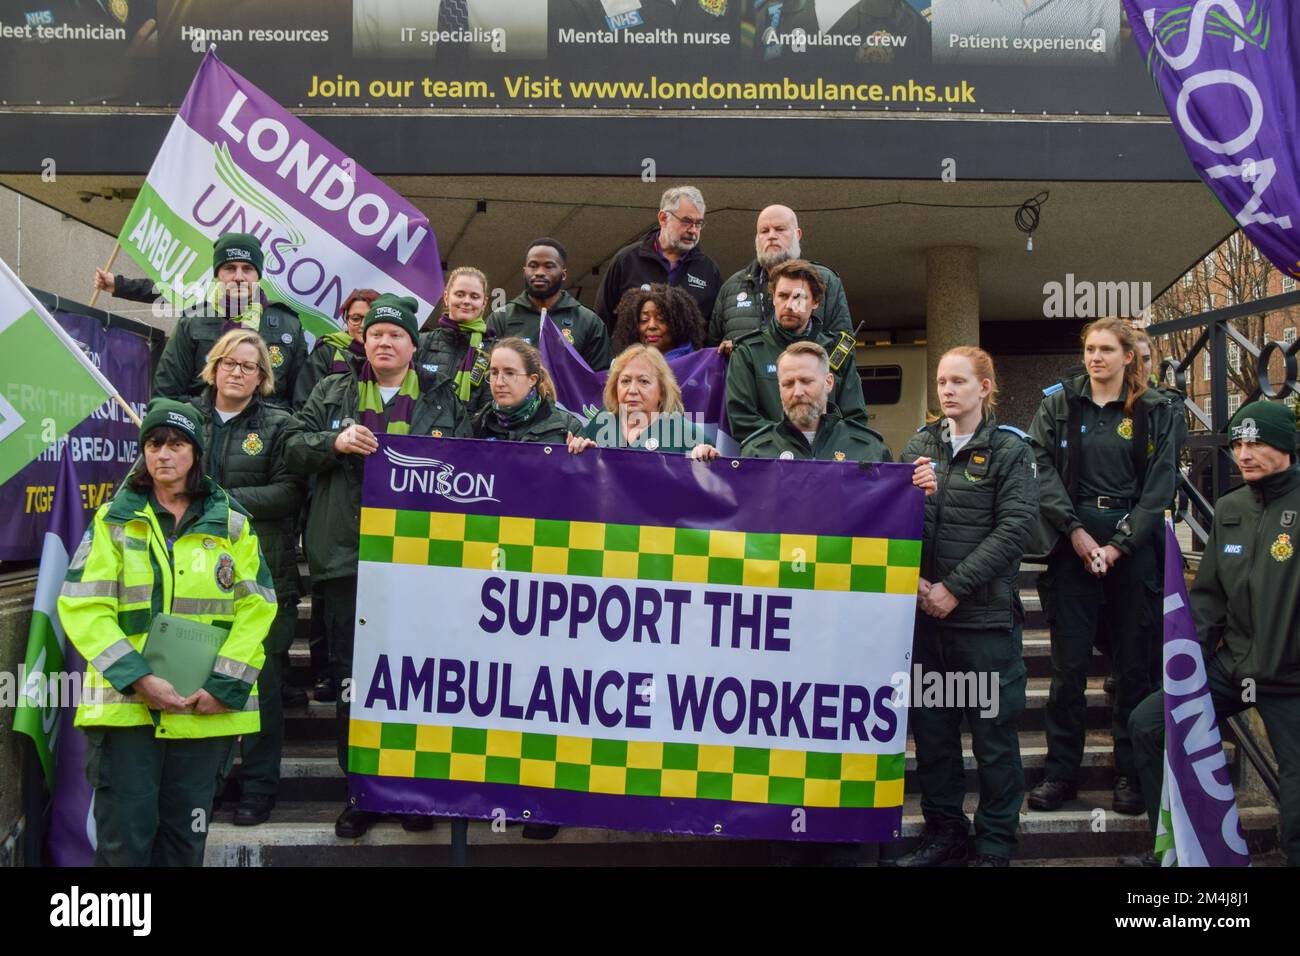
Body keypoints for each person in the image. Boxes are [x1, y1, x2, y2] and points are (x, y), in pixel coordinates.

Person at [57, 398, 277, 866]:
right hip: (127, 711)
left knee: (184, 845)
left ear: (195, 453)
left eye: (177, 444)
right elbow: (82, 606)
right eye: (154, 443)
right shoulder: (113, 521)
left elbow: (257, 609)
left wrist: (222, 685)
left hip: (205, 710)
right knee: (124, 847)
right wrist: (139, 677)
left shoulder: (232, 525)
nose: (164, 454)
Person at [284, 293, 471, 839]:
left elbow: (468, 470)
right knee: (352, 679)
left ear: (414, 346)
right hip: (346, 559)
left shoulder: (443, 400)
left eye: (396, 335)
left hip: (418, 563)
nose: (384, 341)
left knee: (415, 679)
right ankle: (361, 790)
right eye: (376, 334)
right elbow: (292, 447)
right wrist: (333, 441)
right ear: (363, 341)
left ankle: (410, 790)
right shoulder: (330, 390)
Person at [1129, 400, 1300, 868]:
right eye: (1238, 444)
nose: (1243, 454)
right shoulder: (1229, 508)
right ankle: (1175, 844)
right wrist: (1191, 668)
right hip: (1231, 667)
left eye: (1256, 443)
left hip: (1290, 681)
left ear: (1286, 446)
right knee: (1148, 724)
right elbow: (1207, 600)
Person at [890, 347, 1038, 867]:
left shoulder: (1010, 451)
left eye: (958, 381)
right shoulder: (920, 445)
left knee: (994, 739)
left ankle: (996, 843)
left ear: (985, 387)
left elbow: (1015, 529)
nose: (947, 390)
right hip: (928, 626)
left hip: (984, 624)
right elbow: (897, 517)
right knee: (934, 737)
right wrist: (917, 581)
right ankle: (944, 834)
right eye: (941, 381)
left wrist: (951, 588)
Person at [1025, 318, 1179, 815]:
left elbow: (1160, 484)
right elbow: (1040, 467)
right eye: (1090, 349)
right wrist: (1075, 531)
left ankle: (1131, 774)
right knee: (1068, 669)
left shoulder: (1156, 410)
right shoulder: (1060, 404)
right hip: (1072, 546)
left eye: (1107, 350)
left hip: (1133, 549)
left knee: (1134, 667)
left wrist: (1120, 544)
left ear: (1128, 357)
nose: (1095, 357)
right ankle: (1061, 773)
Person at [192, 329, 306, 827]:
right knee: (201, 681)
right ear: (214, 366)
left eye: (250, 366)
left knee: (261, 685)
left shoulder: (280, 425)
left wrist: (224, 504)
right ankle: (208, 783)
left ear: (263, 377)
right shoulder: (187, 419)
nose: (238, 372)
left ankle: (259, 787)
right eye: (230, 363)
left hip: (264, 576)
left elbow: (288, 493)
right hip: (194, 582)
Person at [153, 233, 307, 409]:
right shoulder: (193, 322)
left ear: (258, 275)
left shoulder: (288, 325)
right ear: (218, 274)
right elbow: (166, 394)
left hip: (268, 431)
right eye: (230, 268)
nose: (239, 277)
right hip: (204, 427)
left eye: (247, 268)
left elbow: (302, 401)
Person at [726, 258, 868, 444]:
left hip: (827, 462)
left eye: (798, 297)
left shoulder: (836, 353)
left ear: (816, 302)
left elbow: (855, 419)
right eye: (783, 296)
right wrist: (793, 445)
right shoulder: (748, 352)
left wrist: (817, 448)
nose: (790, 305)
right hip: (768, 462)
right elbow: (742, 421)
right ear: (773, 298)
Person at [709, 204, 852, 349]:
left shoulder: (825, 280)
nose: (771, 236)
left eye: (780, 229)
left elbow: (844, 343)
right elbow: (712, 352)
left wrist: (813, 364)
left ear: (798, 234)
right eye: (764, 231)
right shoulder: (732, 287)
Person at [594, 186, 722, 329]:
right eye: (686, 221)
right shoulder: (627, 260)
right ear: (663, 218)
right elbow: (601, 322)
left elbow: (714, 331)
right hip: (633, 351)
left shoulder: (709, 270)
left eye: (698, 224)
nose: (693, 230)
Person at [741, 341, 890, 462]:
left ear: (829, 383)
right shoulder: (756, 452)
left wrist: (914, 483)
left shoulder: (868, 449)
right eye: (788, 384)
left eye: (806, 381)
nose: (798, 392)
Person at [567, 344, 719, 459]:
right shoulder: (600, 424)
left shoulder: (687, 433)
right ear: (615, 388)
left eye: (644, 381)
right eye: (625, 381)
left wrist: (706, 463)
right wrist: (578, 455)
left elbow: (710, 489)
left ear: (662, 391)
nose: (632, 390)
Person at [486, 238, 612, 370]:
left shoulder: (588, 321)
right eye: (533, 265)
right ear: (524, 272)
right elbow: (486, 373)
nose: (539, 272)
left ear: (563, 274)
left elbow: (601, 379)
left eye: (549, 266)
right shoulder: (501, 318)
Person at [415, 266, 495, 417]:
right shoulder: (421, 343)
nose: (466, 301)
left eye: (474, 296)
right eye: (460, 294)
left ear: (484, 303)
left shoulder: (494, 351)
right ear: (446, 297)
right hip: (423, 438)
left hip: (469, 438)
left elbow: (491, 409)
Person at [474, 337, 582, 443]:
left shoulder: (567, 428)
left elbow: (588, 460)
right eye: (494, 373)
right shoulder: (477, 426)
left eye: (510, 373)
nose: (499, 383)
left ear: (532, 380)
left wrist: (583, 454)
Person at [294, 289, 378, 408]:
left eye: (370, 318)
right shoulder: (327, 350)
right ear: (346, 320)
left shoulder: (390, 354)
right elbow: (303, 402)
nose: (363, 325)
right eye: (355, 319)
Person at [611, 284, 706, 360]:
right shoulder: (624, 366)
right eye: (644, 320)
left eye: (661, 319)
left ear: (677, 324)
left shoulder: (695, 365)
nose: (652, 326)